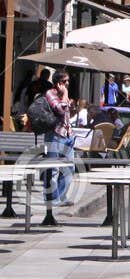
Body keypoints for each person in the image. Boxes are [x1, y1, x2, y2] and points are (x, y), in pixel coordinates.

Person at [43, 73, 74, 205]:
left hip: (67, 134)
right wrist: (65, 95)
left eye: (68, 81)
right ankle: (52, 199)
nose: (67, 83)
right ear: (58, 82)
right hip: (55, 135)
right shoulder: (50, 93)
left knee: (69, 168)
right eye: (65, 81)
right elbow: (59, 109)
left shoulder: (63, 95)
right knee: (53, 169)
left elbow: (66, 114)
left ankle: (61, 196)